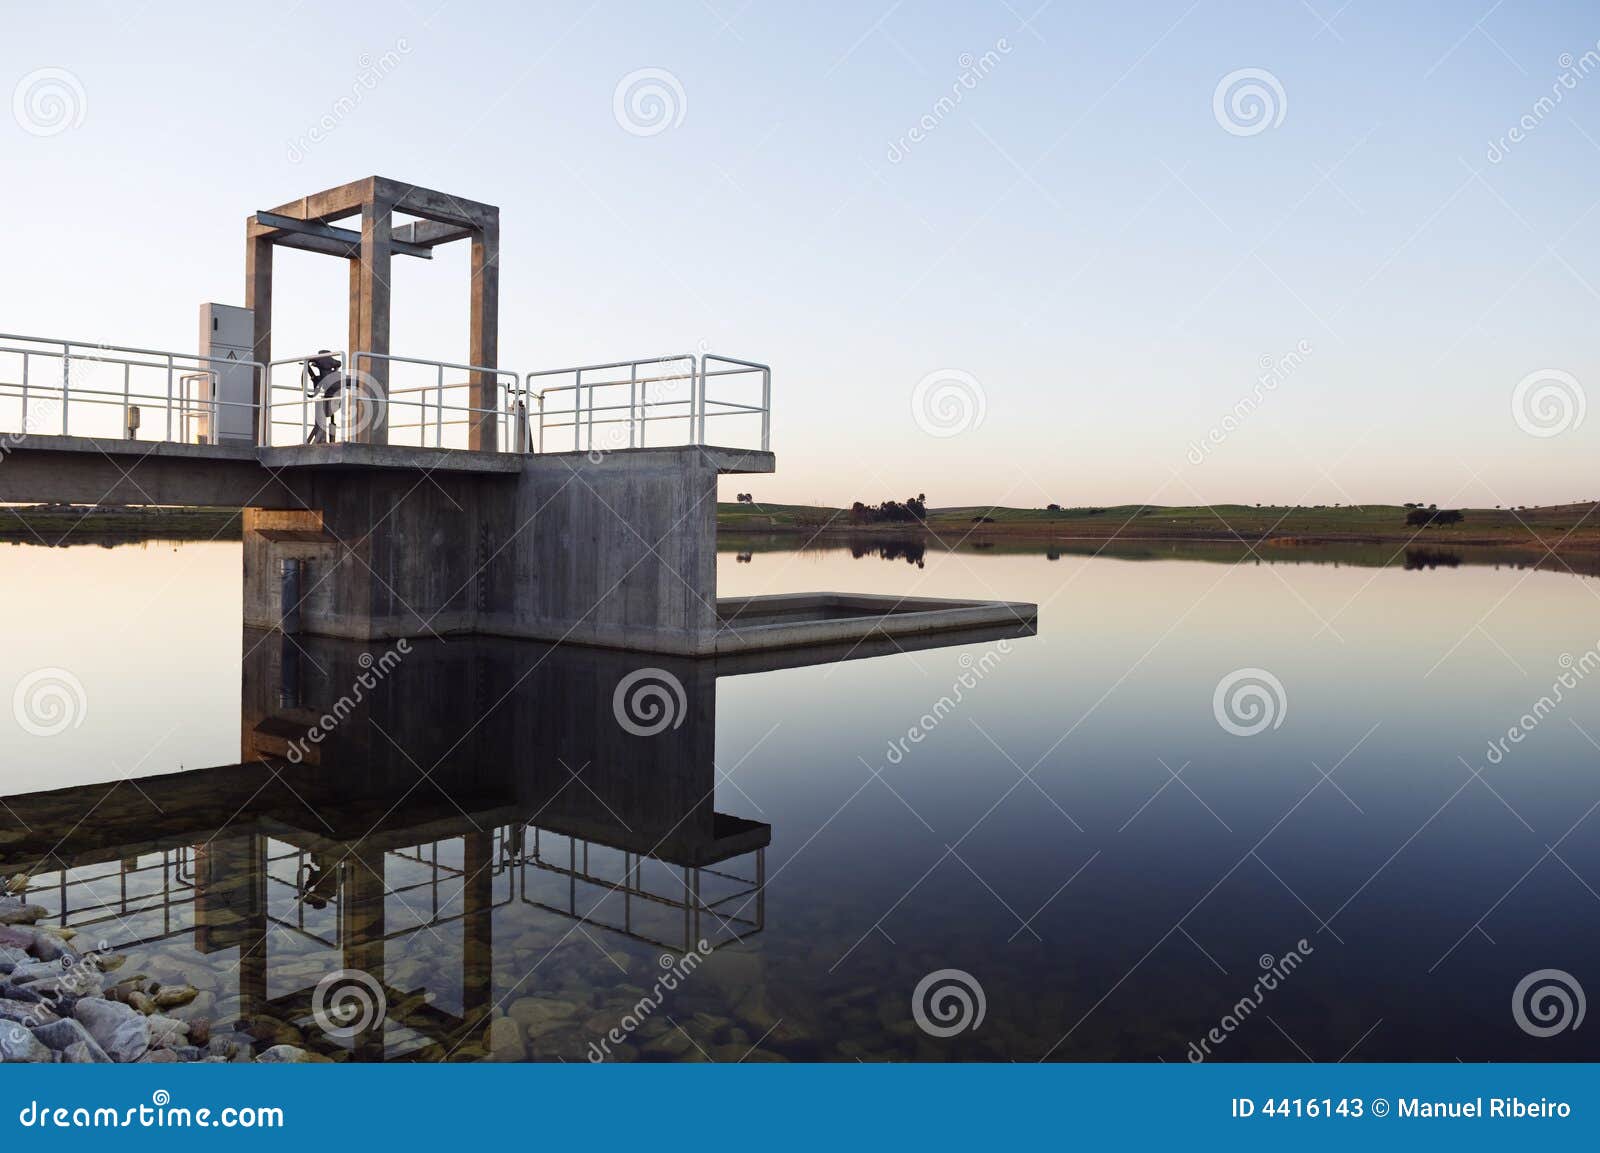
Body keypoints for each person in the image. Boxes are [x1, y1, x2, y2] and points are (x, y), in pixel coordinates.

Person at [304, 350, 343, 444]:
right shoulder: (332, 362)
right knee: (328, 413)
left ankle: (324, 438)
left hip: (330, 394)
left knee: (327, 412)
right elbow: (338, 363)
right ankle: (326, 438)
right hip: (330, 394)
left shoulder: (319, 360)